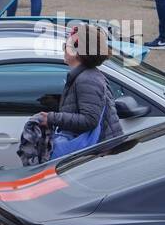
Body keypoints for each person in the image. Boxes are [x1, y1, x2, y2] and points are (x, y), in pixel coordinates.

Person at [31, 23, 125, 154]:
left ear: (77, 53)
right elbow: (83, 105)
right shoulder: (87, 76)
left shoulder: (87, 79)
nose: (63, 49)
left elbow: (89, 120)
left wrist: (52, 118)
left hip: (97, 153)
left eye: (66, 46)